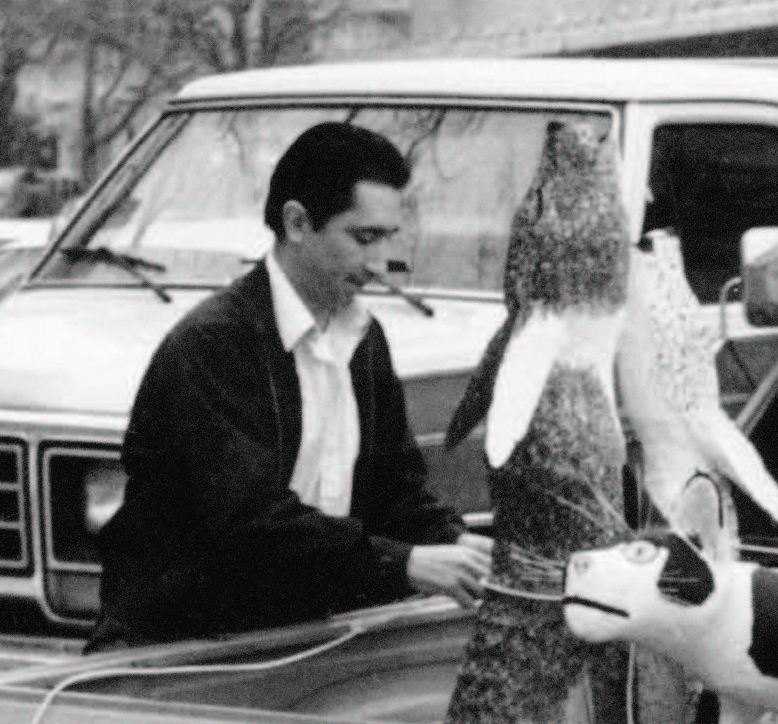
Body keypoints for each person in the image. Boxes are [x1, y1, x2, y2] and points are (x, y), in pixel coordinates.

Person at [89, 121, 492, 648]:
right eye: (363, 237)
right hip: (185, 652)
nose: (380, 263)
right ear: (297, 222)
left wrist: (460, 545)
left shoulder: (365, 339)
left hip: (306, 641)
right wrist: (406, 563)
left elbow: (395, 492)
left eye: (389, 237)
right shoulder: (212, 346)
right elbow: (249, 524)